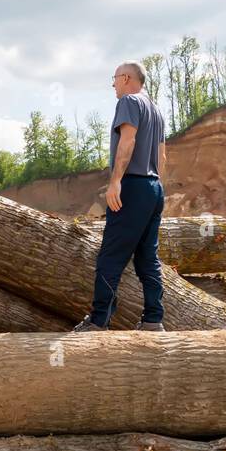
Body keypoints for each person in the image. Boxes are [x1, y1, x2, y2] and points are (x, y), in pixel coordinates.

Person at [73, 61, 167, 332]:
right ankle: (153, 319)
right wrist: (156, 187)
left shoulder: (129, 102)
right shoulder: (157, 111)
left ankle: (99, 320)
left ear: (126, 78)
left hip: (133, 186)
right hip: (153, 186)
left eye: (114, 79)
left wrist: (116, 182)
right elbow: (162, 156)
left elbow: (128, 141)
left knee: (110, 257)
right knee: (147, 257)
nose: (113, 84)